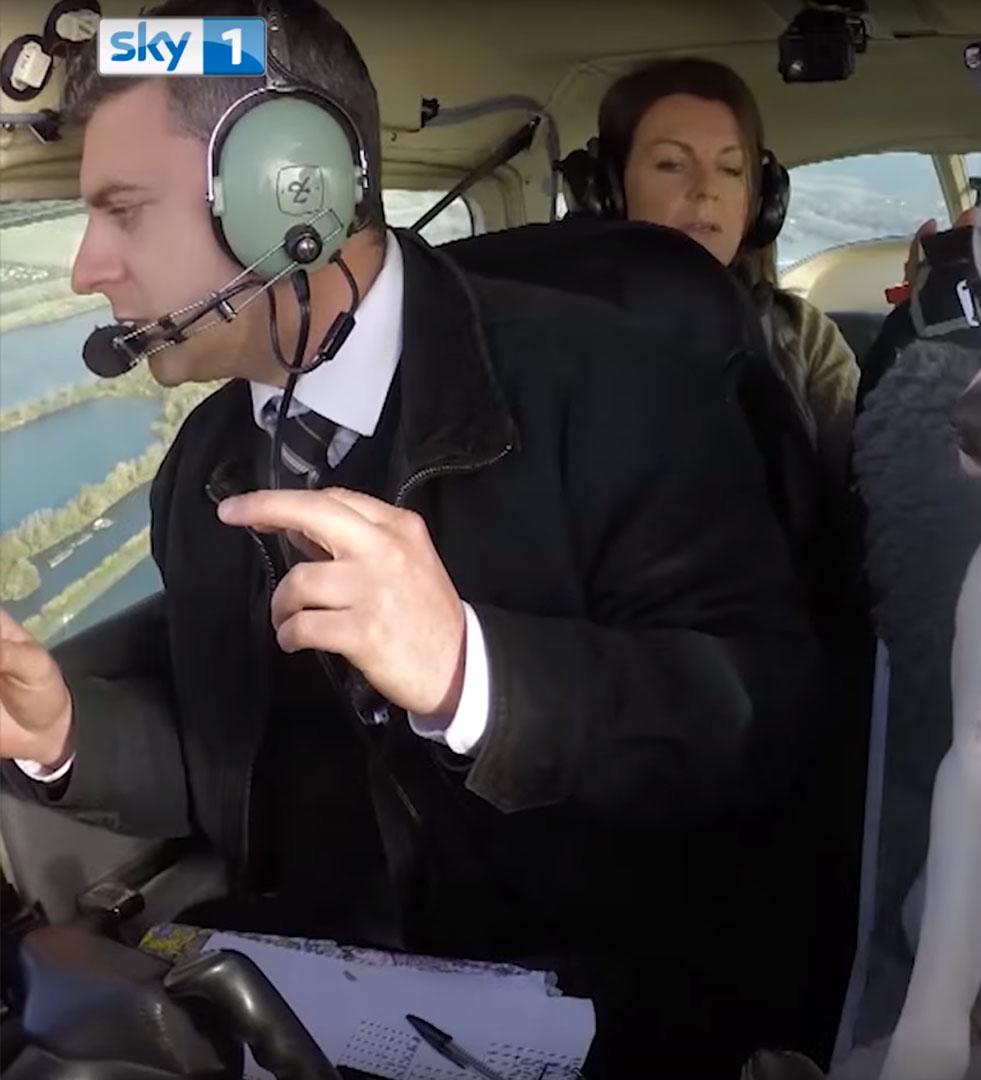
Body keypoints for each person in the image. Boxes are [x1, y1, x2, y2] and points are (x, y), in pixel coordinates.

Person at [0, 0, 827, 1073]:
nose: (86, 268)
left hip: (607, 1010)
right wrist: (59, 734)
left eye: (123, 210)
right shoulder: (201, 466)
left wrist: (475, 674)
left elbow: (769, 728)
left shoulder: (625, 387)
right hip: (310, 1005)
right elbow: (228, 768)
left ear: (288, 191)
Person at [595, 57, 861, 487]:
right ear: (608, 190)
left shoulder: (802, 335)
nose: (705, 189)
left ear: (760, 200)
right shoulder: (561, 329)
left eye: (731, 169)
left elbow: (866, 492)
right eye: (671, 164)